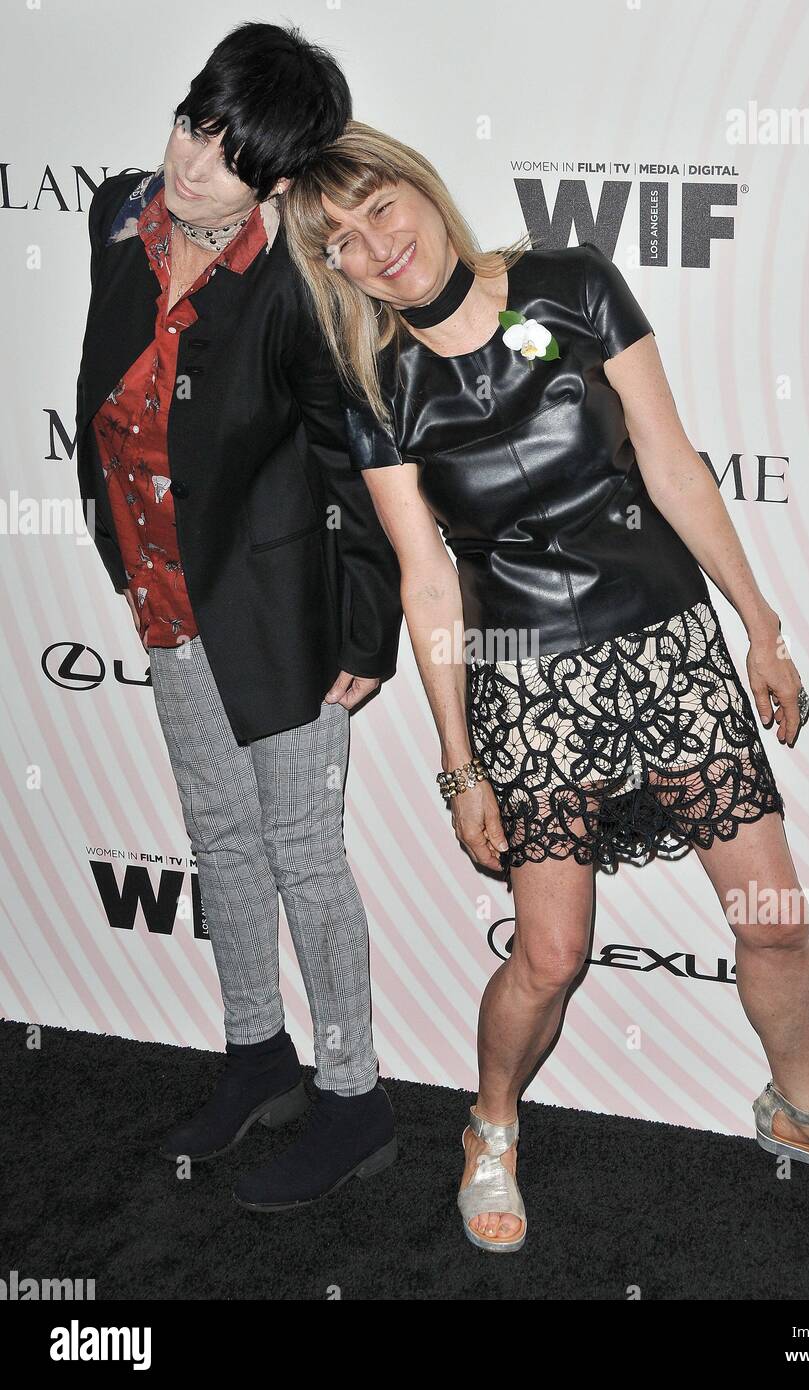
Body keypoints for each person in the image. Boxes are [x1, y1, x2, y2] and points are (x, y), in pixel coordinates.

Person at [283, 121, 809, 1252]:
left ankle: (800, 1107)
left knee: (773, 920)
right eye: (340, 240)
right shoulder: (372, 386)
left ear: (421, 191)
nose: (376, 245)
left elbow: (671, 463)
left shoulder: (571, 284)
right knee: (549, 954)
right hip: (527, 683)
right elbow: (427, 583)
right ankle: (489, 1126)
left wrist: (759, 624)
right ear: (331, 269)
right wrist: (458, 764)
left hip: (669, 644)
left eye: (380, 207)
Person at [75, 29, 403, 1212]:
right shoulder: (121, 219)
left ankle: (356, 1098)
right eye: (190, 122)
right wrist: (123, 557)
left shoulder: (300, 278)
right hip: (165, 596)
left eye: (230, 151)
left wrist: (369, 632)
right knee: (221, 839)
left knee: (303, 853)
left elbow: (355, 455)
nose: (194, 161)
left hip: (280, 610)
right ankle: (257, 1053)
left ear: (278, 175)